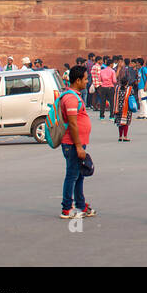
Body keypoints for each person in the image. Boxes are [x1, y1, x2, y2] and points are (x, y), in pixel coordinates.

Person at [58, 65, 93, 221]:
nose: (87, 81)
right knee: (72, 175)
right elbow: (72, 124)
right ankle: (67, 208)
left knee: (78, 176)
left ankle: (80, 204)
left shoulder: (73, 95)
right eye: (85, 79)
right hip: (72, 144)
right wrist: (78, 146)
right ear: (78, 80)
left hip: (76, 143)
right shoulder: (71, 98)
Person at [113, 72, 134, 142]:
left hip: (118, 108)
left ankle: (120, 136)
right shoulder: (129, 89)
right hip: (126, 109)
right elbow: (132, 96)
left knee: (120, 123)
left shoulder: (117, 88)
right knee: (125, 123)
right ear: (127, 82)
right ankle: (125, 136)